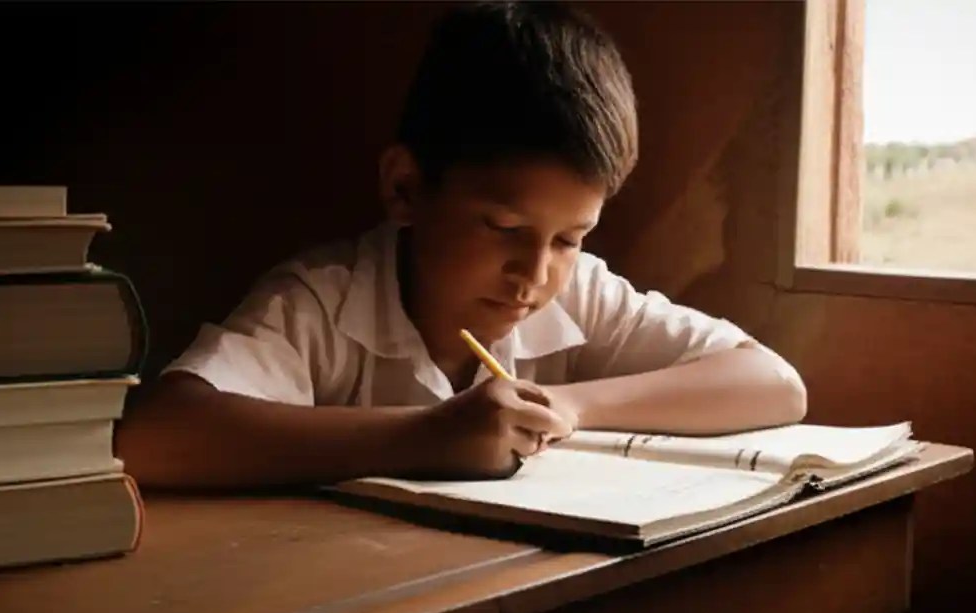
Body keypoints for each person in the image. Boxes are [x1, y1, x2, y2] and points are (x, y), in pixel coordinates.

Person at [115, 1, 806, 488]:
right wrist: (424, 437)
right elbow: (155, 438)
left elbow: (773, 384)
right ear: (406, 188)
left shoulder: (581, 295)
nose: (533, 275)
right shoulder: (323, 304)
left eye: (570, 237)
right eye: (504, 229)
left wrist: (572, 406)